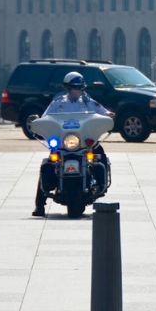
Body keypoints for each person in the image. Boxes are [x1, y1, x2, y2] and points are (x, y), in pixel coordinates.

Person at [33, 72, 114, 217]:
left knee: (99, 155)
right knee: (47, 165)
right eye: (72, 88)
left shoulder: (89, 102)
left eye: (79, 88)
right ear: (67, 88)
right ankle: (40, 205)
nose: (76, 91)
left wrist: (109, 115)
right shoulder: (58, 103)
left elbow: (103, 112)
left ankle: (101, 184)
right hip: (64, 144)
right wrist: (39, 121)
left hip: (83, 143)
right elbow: (46, 117)